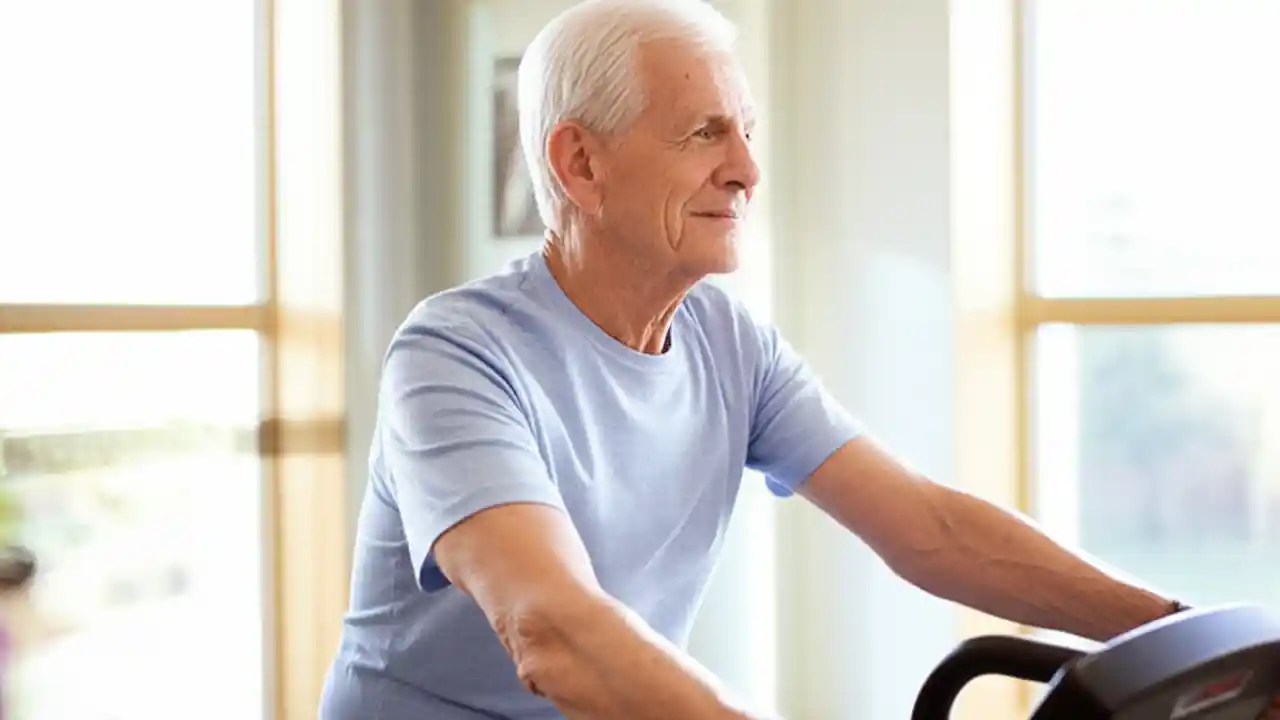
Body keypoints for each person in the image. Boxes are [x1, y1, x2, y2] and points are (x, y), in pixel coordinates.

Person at [320, 1, 1185, 718]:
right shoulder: (457, 356)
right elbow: (549, 626)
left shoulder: (728, 342)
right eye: (703, 133)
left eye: (746, 131)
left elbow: (931, 530)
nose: (746, 170)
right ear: (581, 164)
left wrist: (1180, 628)